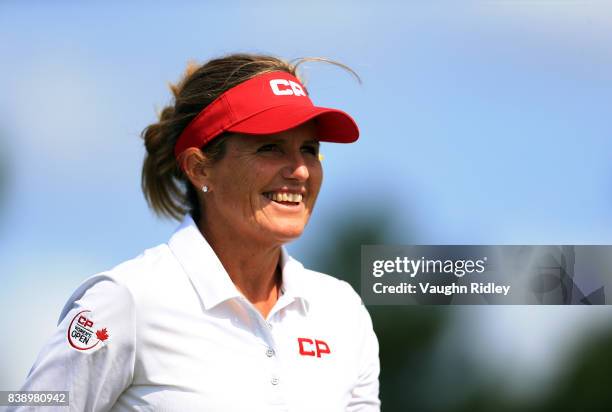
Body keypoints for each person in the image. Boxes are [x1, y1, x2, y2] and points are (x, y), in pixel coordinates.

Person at [15, 53, 380, 411]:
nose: (300, 170)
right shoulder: (126, 300)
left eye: (309, 149)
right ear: (199, 168)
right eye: (270, 147)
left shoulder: (342, 311)